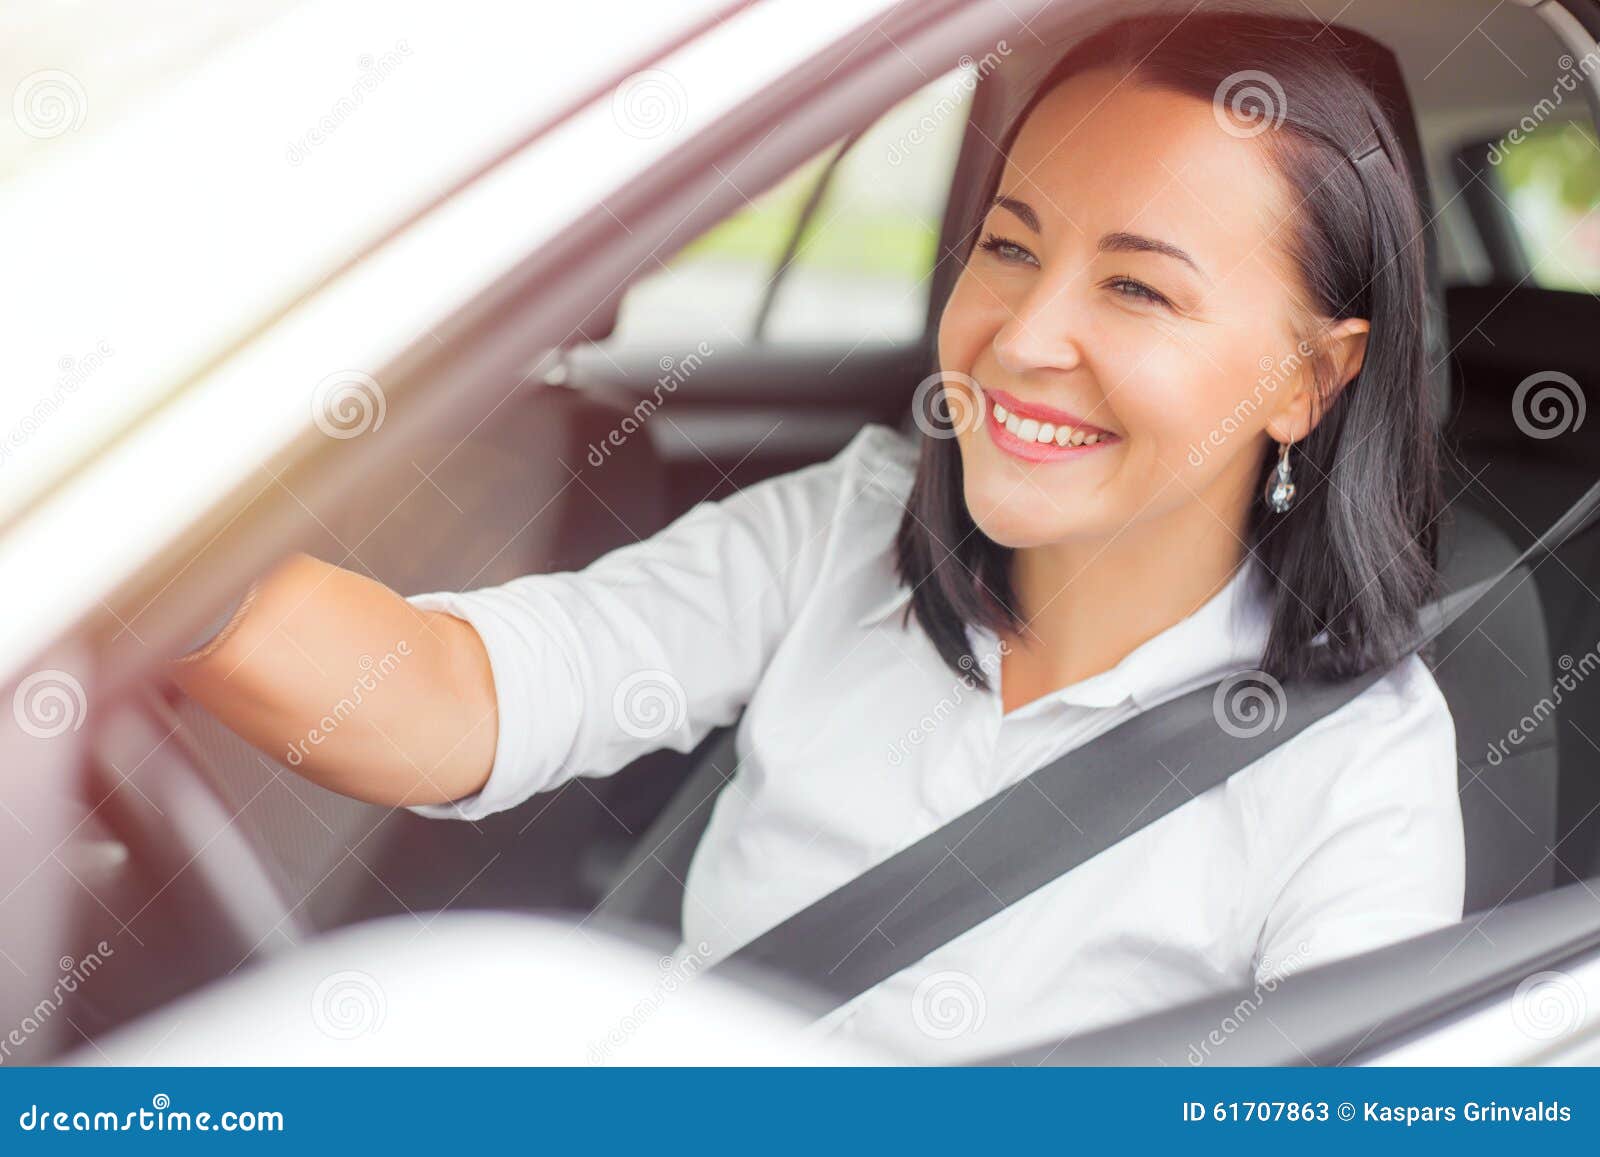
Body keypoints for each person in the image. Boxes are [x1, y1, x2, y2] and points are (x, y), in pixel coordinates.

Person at [172, 12, 1465, 1061]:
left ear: (1310, 377)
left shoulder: (1356, 767)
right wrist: (142, 583)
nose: (1019, 337)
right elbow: (448, 698)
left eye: (1136, 286)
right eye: (1008, 248)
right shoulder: (845, 525)